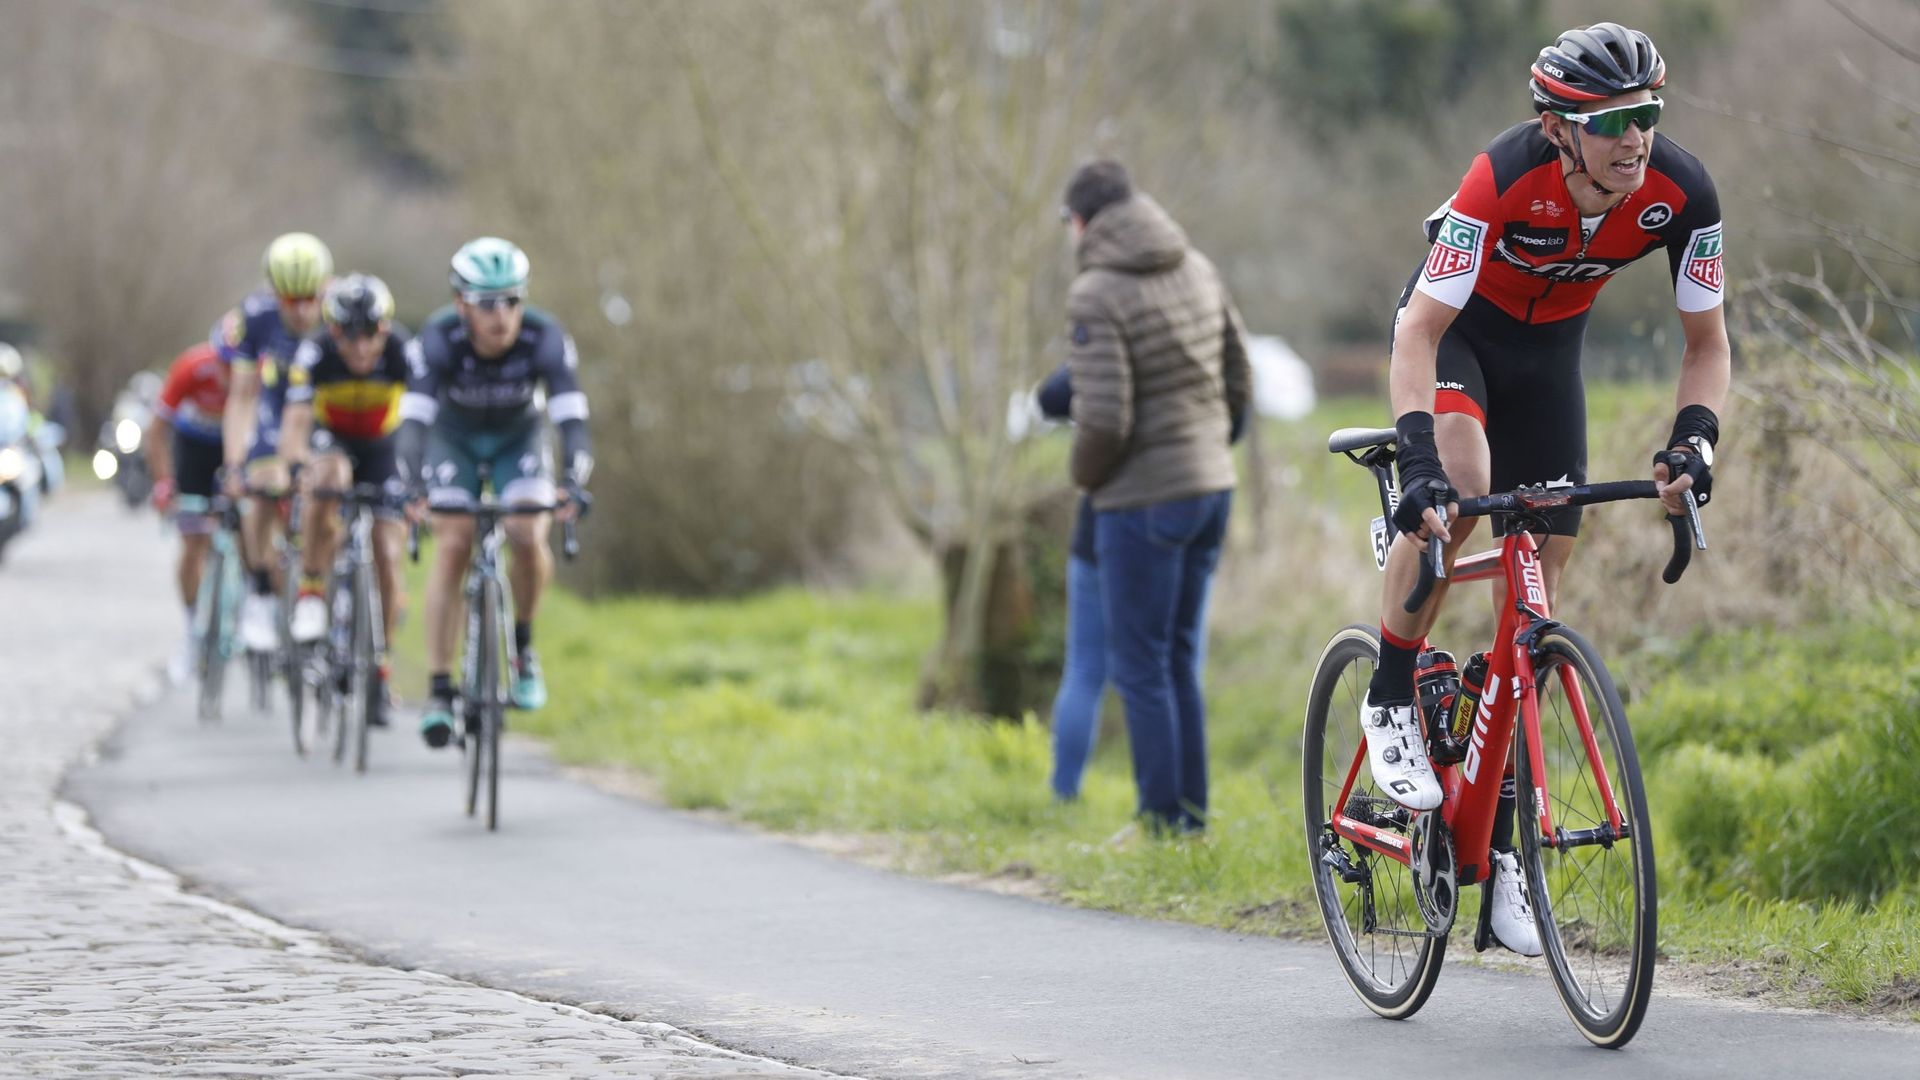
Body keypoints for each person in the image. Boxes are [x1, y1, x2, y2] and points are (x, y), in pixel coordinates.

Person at [1362, 23, 1728, 956]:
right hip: (1459, 342)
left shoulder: (1683, 195)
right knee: (1467, 483)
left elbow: (1706, 346)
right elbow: (1415, 331)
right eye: (1612, 120)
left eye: (1647, 113)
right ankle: (1392, 688)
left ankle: (1507, 841)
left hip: (1550, 363)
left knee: (1536, 593)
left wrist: (1695, 441)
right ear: (1559, 128)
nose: (1635, 137)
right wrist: (1417, 462)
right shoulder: (1500, 177)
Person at [1062, 161, 1251, 835]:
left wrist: (1084, 479)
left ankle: (1161, 821)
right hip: (1210, 488)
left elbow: (1104, 421)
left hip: (1142, 501)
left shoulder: (1096, 292)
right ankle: (1190, 817)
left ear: (1082, 222)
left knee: (1138, 668)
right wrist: (1214, 445)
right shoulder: (1194, 265)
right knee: (1176, 659)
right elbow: (1239, 371)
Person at [397, 237, 592, 749]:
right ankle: (440, 688)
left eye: (512, 299)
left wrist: (573, 479)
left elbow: (571, 415)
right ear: (461, 303)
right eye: (487, 303)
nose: (501, 315)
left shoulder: (545, 337)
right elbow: (413, 419)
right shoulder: (437, 339)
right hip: (452, 439)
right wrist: (412, 484)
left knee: (528, 530)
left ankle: (523, 648)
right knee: (454, 541)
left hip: (517, 437)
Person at [279, 273, 412, 726]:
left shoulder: (401, 353)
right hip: (331, 439)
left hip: (383, 447)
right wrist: (297, 467)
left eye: (370, 334)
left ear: (385, 329)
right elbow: (295, 421)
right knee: (328, 476)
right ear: (333, 331)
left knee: (389, 554)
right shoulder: (314, 352)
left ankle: (380, 668)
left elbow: (426, 418)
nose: (359, 348)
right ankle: (313, 589)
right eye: (348, 336)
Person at [217, 232, 334, 653]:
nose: (303, 310)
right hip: (276, 404)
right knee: (263, 483)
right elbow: (243, 396)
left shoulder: (340, 311)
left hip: (324, 406)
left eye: (310, 298)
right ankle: (261, 593)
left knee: (329, 487)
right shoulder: (255, 316)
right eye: (291, 300)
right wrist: (234, 463)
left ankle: (329, 589)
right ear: (274, 292)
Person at [145, 342, 230, 682]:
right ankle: (193, 629)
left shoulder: (255, 371)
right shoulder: (192, 367)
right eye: (225, 363)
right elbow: (156, 431)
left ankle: (257, 605)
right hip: (193, 452)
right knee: (193, 542)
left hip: (234, 450)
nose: (229, 372)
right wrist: (165, 485)